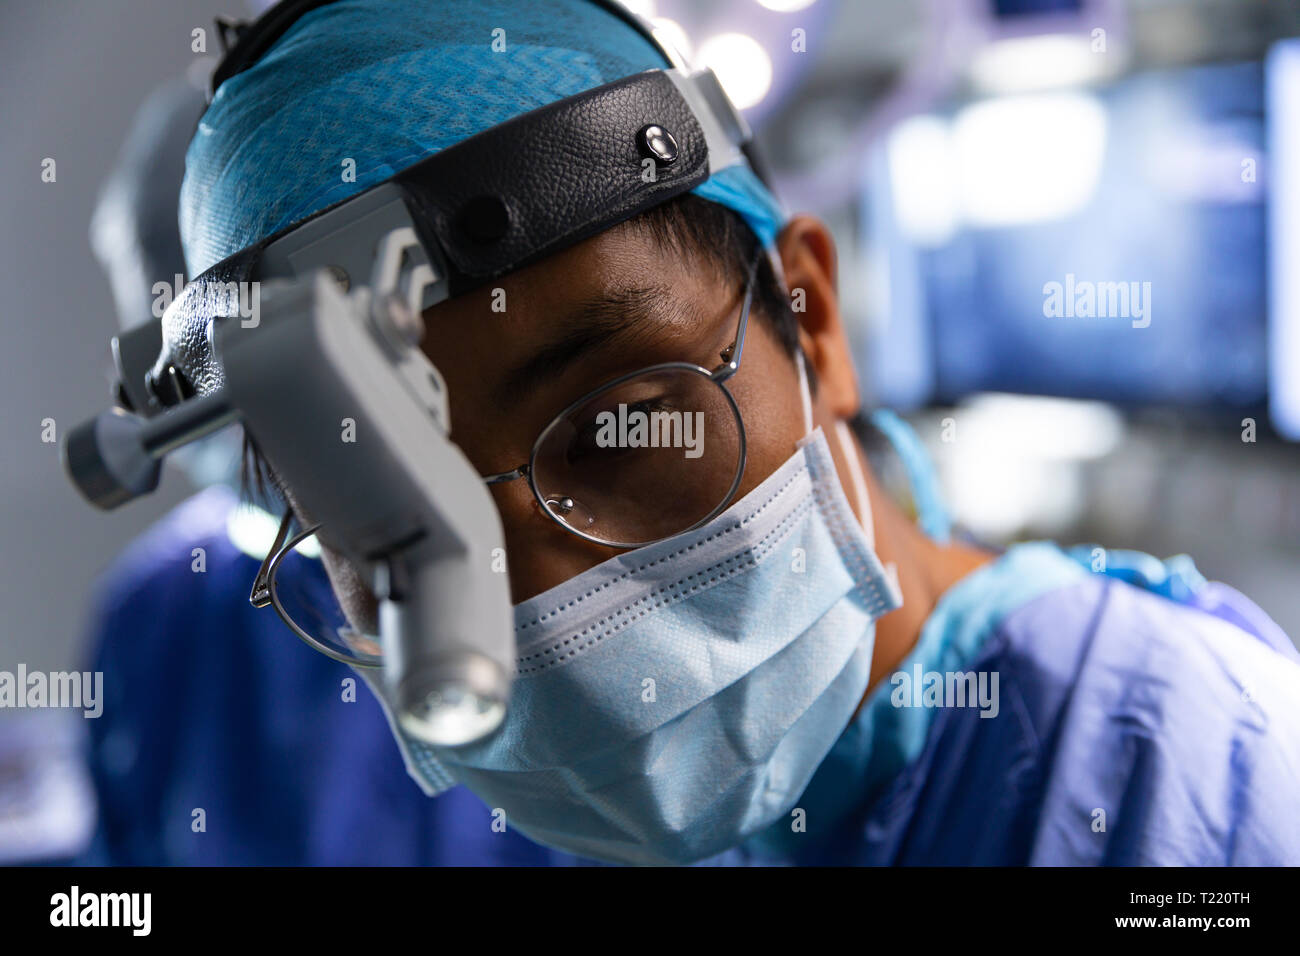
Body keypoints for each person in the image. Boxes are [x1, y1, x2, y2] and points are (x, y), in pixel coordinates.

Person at [167, 0, 1300, 865]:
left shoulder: (1188, 774)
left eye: (620, 431)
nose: (544, 615)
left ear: (813, 318)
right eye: (396, 530)